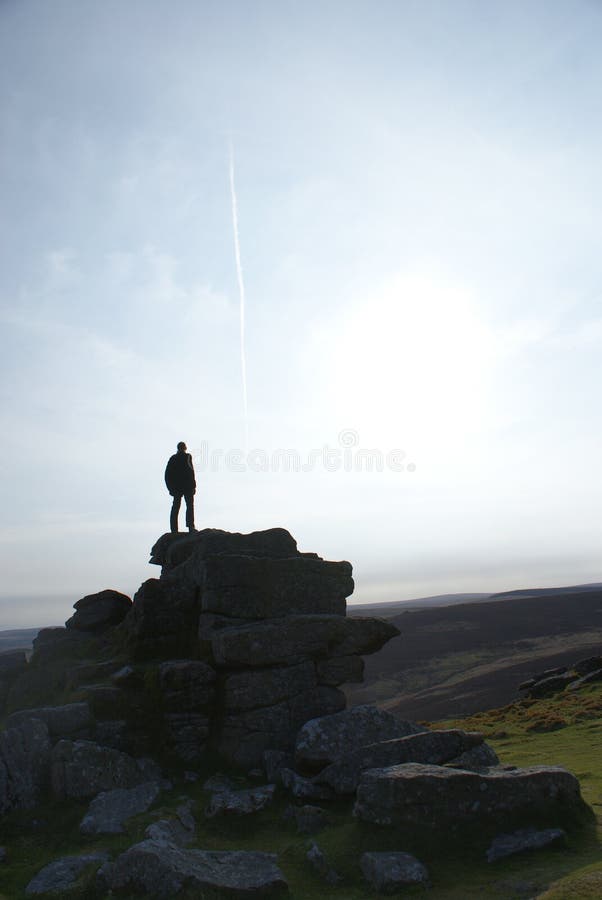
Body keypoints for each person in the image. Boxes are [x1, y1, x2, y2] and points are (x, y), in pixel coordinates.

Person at [165, 441, 197, 533]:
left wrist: (170, 488)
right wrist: (193, 486)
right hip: (186, 486)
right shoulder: (187, 456)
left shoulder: (173, 458)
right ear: (185, 448)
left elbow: (167, 475)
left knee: (176, 507)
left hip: (177, 487)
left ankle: (174, 529)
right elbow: (191, 471)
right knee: (189, 506)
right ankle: (190, 527)